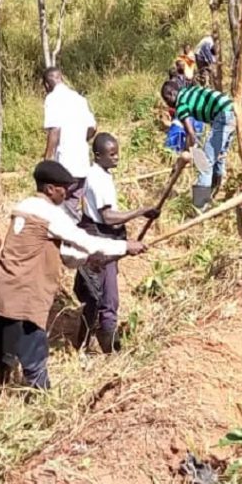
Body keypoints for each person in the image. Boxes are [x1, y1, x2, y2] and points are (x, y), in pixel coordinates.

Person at [0, 161, 145, 389]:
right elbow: (84, 240)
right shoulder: (50, 214)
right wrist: (125, 246)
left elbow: (63, 253)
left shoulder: (24, 207)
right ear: (49, 189)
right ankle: (41, 406)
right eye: (62, 188)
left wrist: (88, 259)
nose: (67, 192)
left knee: (1, 356)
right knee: (34, 359)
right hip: (23, 299)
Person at [74, 134, 159, 353]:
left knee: (103, 294)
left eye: (117, 152)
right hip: (100, 240)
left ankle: (101, 343)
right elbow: (108, 217)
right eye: (112, 154)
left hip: (103, 237)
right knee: (103, 295)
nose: (117, 158)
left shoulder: (101, 174)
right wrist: (140, 211)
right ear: (98, 155)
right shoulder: (97, 179)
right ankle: (100, 345)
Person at [160, 80, 236, 209]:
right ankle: (214, 193)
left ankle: (200, 207)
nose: (168, 104)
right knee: (219, 157)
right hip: (232, 111)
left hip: (223, 115)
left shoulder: (181, 103)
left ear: (172, 94)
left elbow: (191, 133)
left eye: (167, 99)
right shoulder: (189, 92)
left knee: (205, 163)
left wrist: (186, 151)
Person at [42, 67, 97, 220]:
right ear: (62, 78)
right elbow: (93, 128)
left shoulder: (52, 98)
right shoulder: (79, 99)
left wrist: (46, 164)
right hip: (83, 165)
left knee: (57, 209)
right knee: (70, 208)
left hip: (66, 166)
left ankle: (76, 237)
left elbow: (54, 131)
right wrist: (79, 140)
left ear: (46, 85)